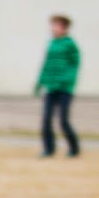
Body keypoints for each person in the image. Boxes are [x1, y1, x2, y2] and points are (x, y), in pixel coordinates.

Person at [35, 14, 81, 158]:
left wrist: (67, 80)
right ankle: (49, 149)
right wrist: (40, 81)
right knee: (46, 119)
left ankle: (74, 148)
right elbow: (47, 64)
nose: (53, 28)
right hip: (51, 87)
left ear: (64, 27)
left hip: (65, 89)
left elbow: (75, 65)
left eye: (56, 25)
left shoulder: (70, 44)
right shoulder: (52, 43)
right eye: (52, 25)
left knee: (63, 120)